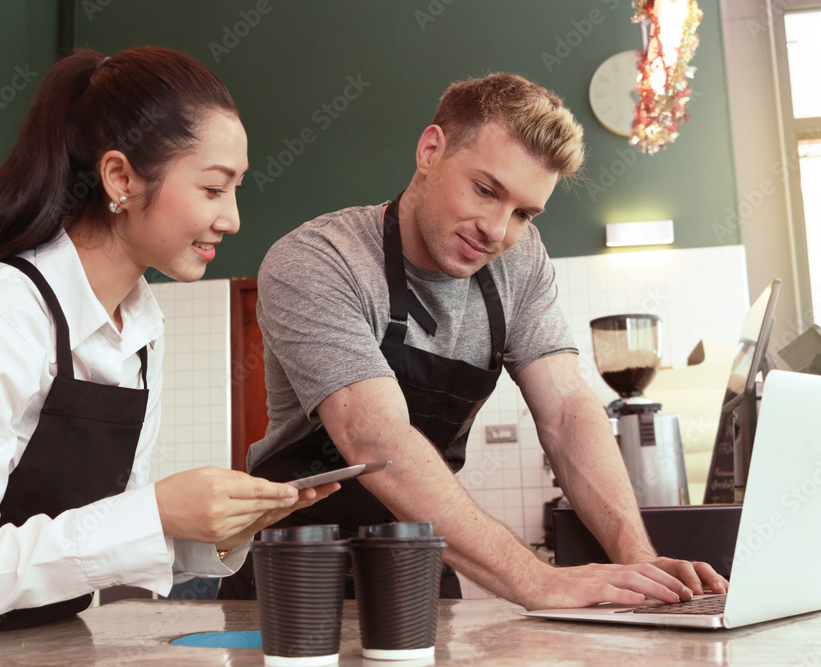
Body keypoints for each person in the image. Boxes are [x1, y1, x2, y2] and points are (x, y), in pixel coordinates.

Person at [0, 46, 336, 655]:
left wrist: (222, 526)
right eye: (213, 188)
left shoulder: (141, 331)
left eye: (235, 190)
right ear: (120, 179)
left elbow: (105, 535)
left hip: (47, 648)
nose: (233, 219)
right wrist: (155, 512)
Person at [219, 73, 728, 607]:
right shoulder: (320, 259)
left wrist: (637, 558)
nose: (497, 230)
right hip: (291, 569)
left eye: (523, 213)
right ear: (431, 151)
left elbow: (566, 412)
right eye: (486, 190)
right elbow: (374, 436)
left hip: (418, 561)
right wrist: (537, 579)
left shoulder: (520, 260)